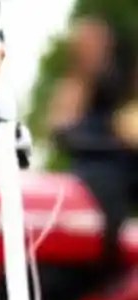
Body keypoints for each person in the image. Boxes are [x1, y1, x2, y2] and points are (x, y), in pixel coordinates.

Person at [48, 16, 136, 272]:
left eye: (94, 42)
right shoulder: (76, 85)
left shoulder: (123, 80)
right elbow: (59, 126)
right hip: (93, 175)